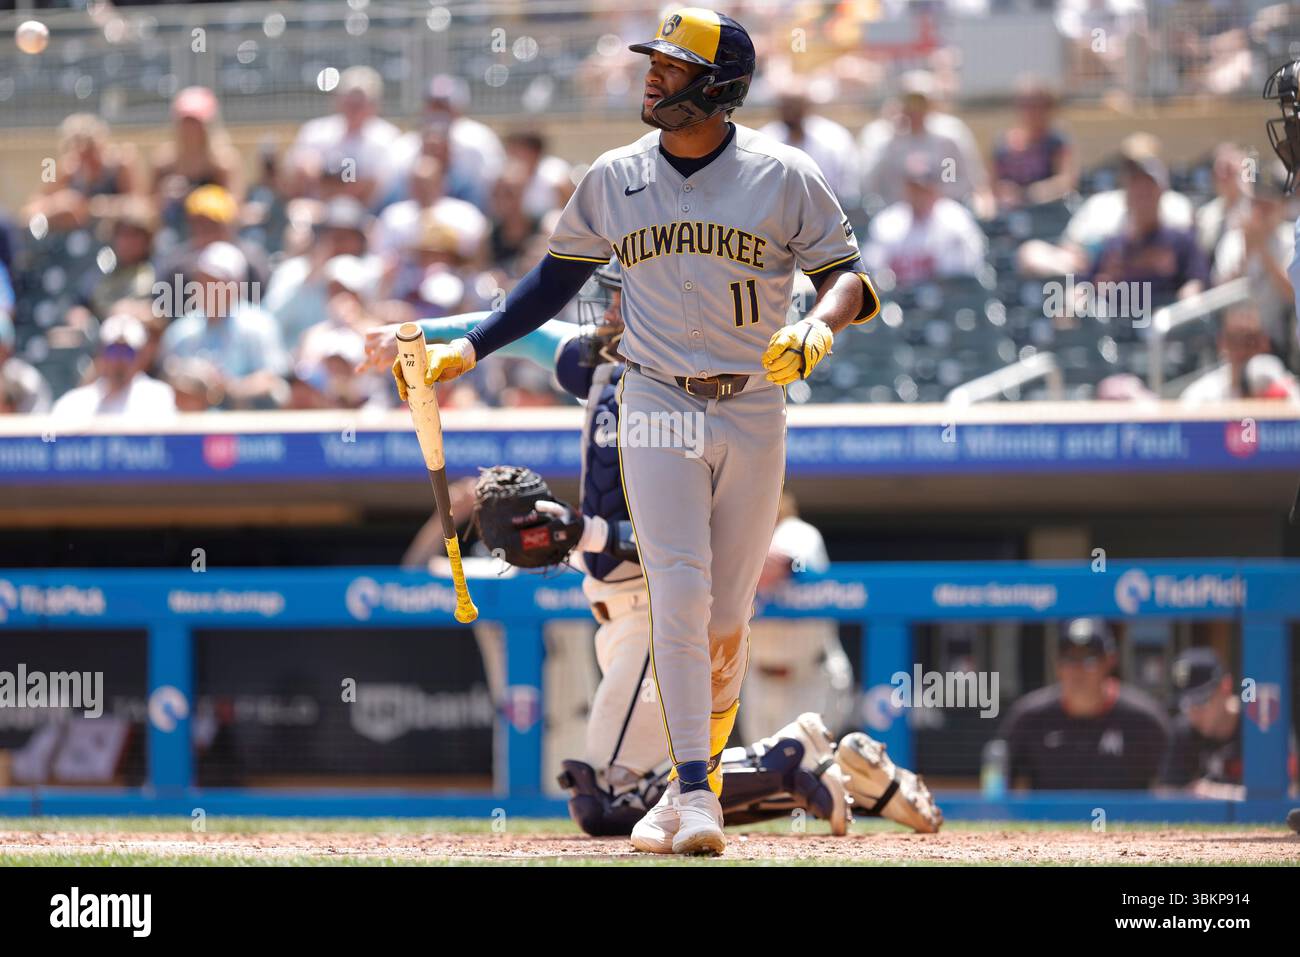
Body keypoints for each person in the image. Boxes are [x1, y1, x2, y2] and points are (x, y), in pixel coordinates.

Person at [389, 8, 880, 856]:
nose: (652, 75)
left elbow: (852, 279)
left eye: (673, 66)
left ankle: (696, 787)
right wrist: (468, 346)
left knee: (725, 618)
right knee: (680, 594)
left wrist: (822, 328)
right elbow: (549, 285)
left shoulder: (783, 173)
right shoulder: (614, 176)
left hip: (755, 401)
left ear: (720, 87)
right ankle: (694, 794)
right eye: (652, 61)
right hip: (655, 400)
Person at [363, 263, 939, 840]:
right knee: (632, 793)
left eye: (622, 301)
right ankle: (815, 771)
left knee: (607, 798)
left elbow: (694, 541)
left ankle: (789, 761)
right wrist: (416, 333)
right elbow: (530, 334)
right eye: (610, 299)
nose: (608, 313)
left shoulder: (700, 389)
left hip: (658, 608)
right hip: (612, 608)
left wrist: (579, 532)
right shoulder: (598, 362)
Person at [997, 618, 1169, 790]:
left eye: (1089, 660)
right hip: (1052, 817)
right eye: (1069, 659)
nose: (1078, 670)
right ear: (1057, 663)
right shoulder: (1029, 717)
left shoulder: (1145, 719)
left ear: (1110, 661)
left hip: (1122, 817)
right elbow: (998, 786)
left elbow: (1169, 787)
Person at [741, 491, 854, 744]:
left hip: (808, 679)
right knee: (761, 776)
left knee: (809, 771)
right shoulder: (742, 538)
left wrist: (768, 561)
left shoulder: (796, 532)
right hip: (760, 680)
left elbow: (791, 562)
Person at [159, 241, 289, 409]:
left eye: (216, 282)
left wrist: (228, 388)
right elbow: (166, 378)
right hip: (190, 426)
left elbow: (274, 381)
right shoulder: (181, 332)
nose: (206, 288)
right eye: (202, 281)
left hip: (242, 426)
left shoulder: (259, 326)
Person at [860, 70, 993, 217]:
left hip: (943, 214)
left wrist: (932, 195)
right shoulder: (884, 137)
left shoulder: (948, 137)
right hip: (898, 215)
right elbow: (869, 185)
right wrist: (893, 133)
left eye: (920, 101)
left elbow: (965, 181)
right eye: (909, 101)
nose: (915, 108)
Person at [861, 152, 987, 286]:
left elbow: (968, 269)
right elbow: (872, 269)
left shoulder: (956, 220)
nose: (919, 194)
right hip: (901, 300)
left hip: (945, 299)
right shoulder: (886, 223)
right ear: (906, 189)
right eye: (914, 188)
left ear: (935, 188)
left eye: (924, 188)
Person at [288, 66, 401, 208]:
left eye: (360, 101)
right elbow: (294, 182)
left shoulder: (388, 138)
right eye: (349, 100)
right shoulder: (314, 131)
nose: (353, 107)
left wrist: (323, 179)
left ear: (374, 104)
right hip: (316, 211)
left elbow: (366, 191)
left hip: (367, 215)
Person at [50, 313, 175, 421]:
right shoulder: (74, 403)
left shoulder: (157, 398)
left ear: (140, 357)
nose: (119, 360)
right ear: (101, 353)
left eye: (128, 353)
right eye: (113, 351)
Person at [758, 82, 861, 209]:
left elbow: (847, 188)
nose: (790, 111)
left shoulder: (834, 138)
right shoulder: (765, 139)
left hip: (826, 212)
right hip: (775, 213)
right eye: (785, 106)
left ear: (807, 106)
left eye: (795, 105)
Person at [1157, 648, 1243, 799]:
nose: (1193, 713)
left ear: (1226, 687)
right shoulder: (1182, 730)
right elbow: (1166, 794)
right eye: (1187, 704)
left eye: (1201, 701)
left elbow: (1288, 793)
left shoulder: (1259, 726)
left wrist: (1215, 792)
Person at [991, 76, 1077, 211]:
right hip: (1011, 215)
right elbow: (990, 184)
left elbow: (1066, 181)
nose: (1029, 111)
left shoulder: (1056, 141)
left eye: (1035, 105)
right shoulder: (1003, 143)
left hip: (1049, 213)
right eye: (1023, 104)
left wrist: (1030, 193)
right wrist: (1002, 191)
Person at [1180, 305, 1297, 405]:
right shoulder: (1203, 395)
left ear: (1264, 343)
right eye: (1235, 341)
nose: (1242, 350)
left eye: (1251, 341)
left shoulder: (1276, 379)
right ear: (1222, 343)